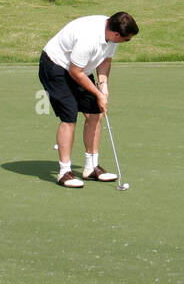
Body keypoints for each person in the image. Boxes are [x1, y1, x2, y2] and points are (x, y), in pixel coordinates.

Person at [39, 12, 139, 187]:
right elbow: (75, 72)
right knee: (69, 115)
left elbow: (105, 60)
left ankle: (91, 167)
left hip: (79, 69)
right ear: (116, 34)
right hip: (56, 66)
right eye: (126, 40)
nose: (126, 42)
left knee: (95, 113)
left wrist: (103, 85)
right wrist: (98, 94)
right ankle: (64, 172)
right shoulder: (89, 38)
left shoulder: (111, 32)